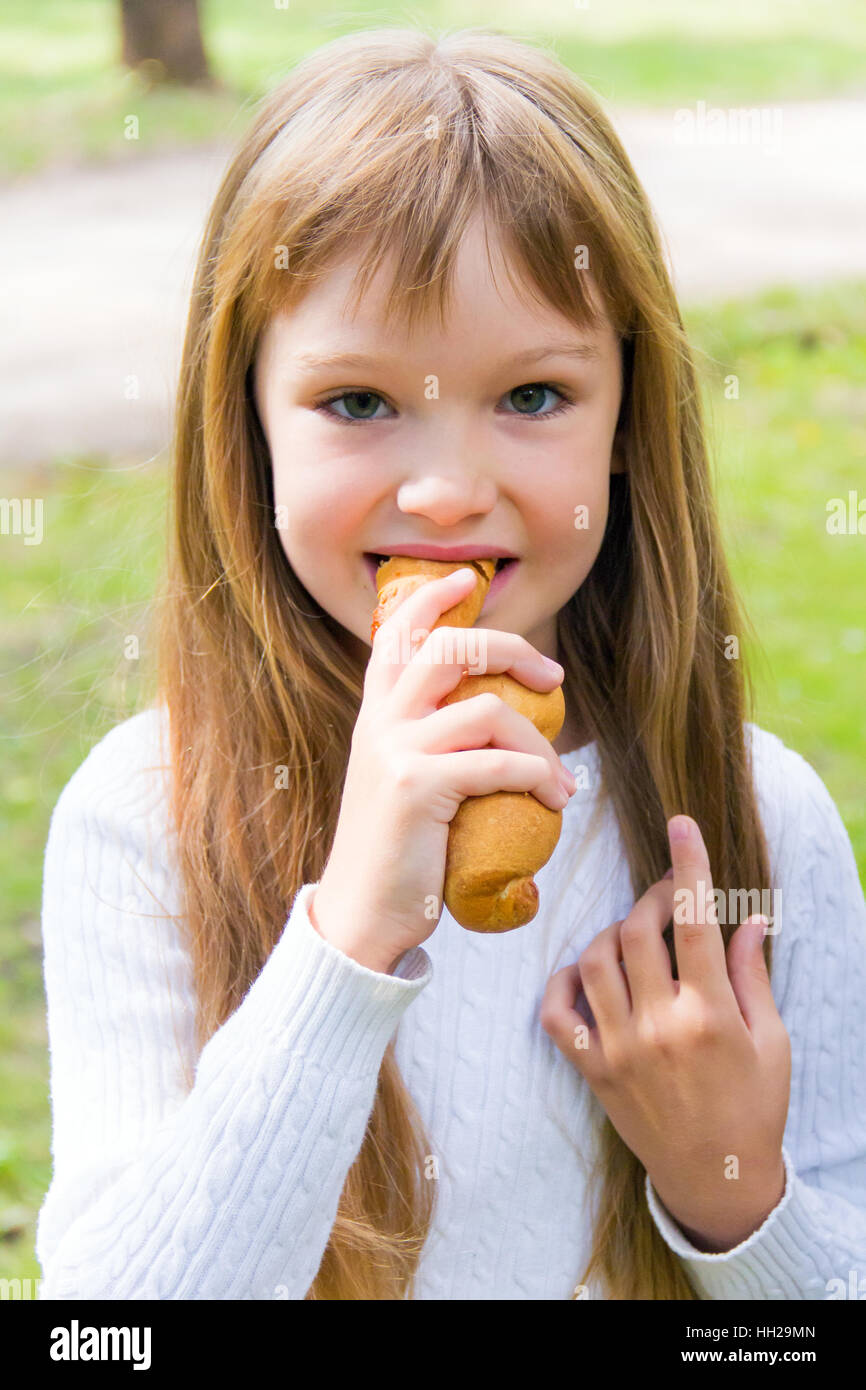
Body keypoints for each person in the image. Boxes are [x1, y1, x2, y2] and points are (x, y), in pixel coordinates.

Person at [36, 26, 866, 1300]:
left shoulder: (755, 827)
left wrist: (729, 1192)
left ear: (626, 422)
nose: (441, 491)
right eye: (357, 404)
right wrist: (350, 932)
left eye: (530, 395)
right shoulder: (146, 813)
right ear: (246, 424)